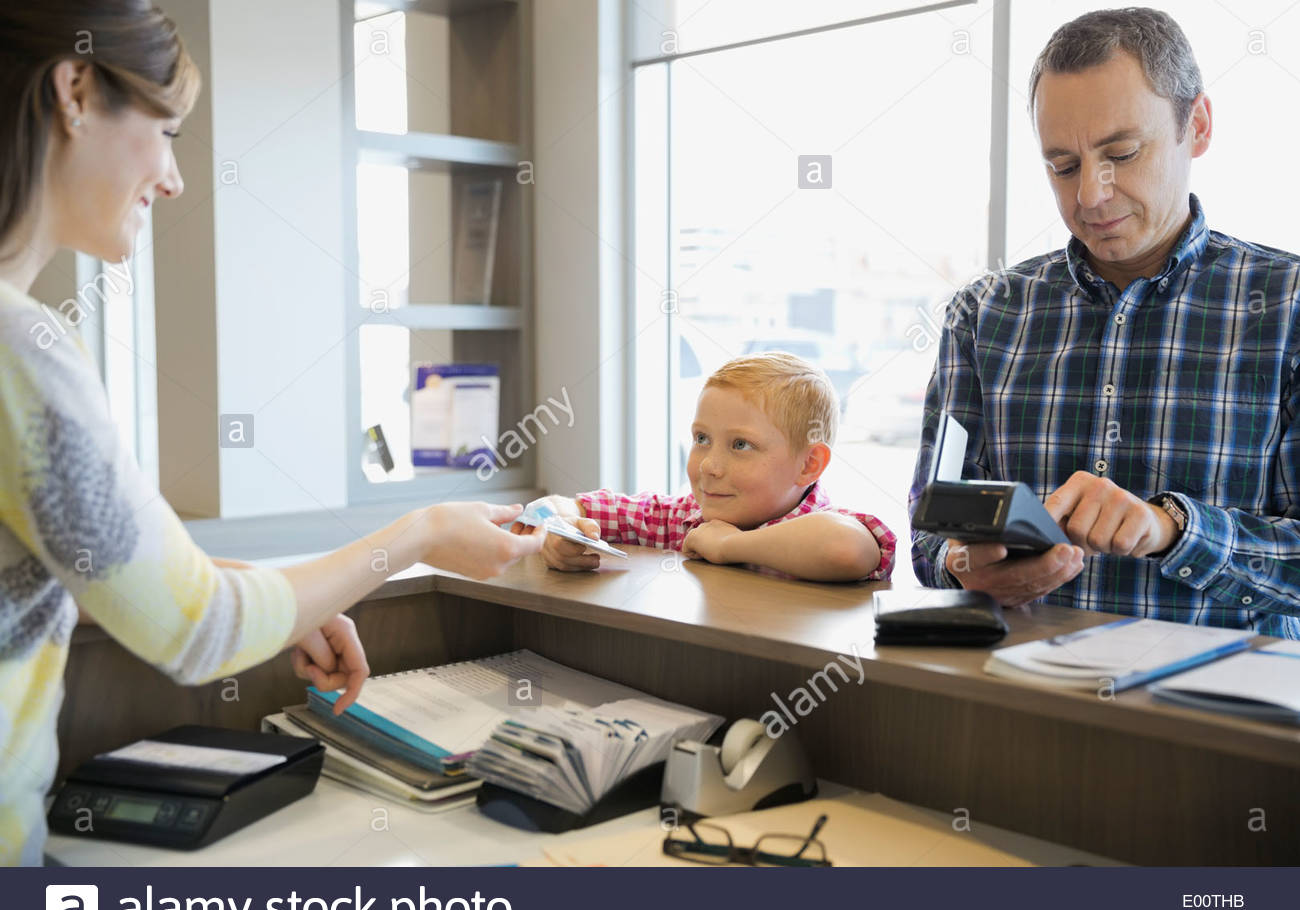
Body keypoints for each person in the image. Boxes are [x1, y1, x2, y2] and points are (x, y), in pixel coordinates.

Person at [0, 0, 544, 865]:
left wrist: (277, 588)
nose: (174, 178)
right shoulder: (23, 352)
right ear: (74, 90)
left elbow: (78, 566)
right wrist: (421, 532)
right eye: (168, 129)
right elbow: (199, 632)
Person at [909, 8, 1300, 637]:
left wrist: (1174, 529)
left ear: (1196, 126)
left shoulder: (1289, 305)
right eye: (1063, 166)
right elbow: (930, 535)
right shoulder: (982, 315)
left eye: (1121, 152)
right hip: (1016, 703)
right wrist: (963, 565)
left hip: (1218, 725)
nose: (1091, 193)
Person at [519, 352, 896, 582]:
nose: (711, 466)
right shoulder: (683, 519)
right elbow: (580, 506)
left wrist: (731, 544)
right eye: (701, 439)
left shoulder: (822, 528)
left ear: (808, 465)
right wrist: (560, 526)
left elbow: (846, 550)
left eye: (741, 445)